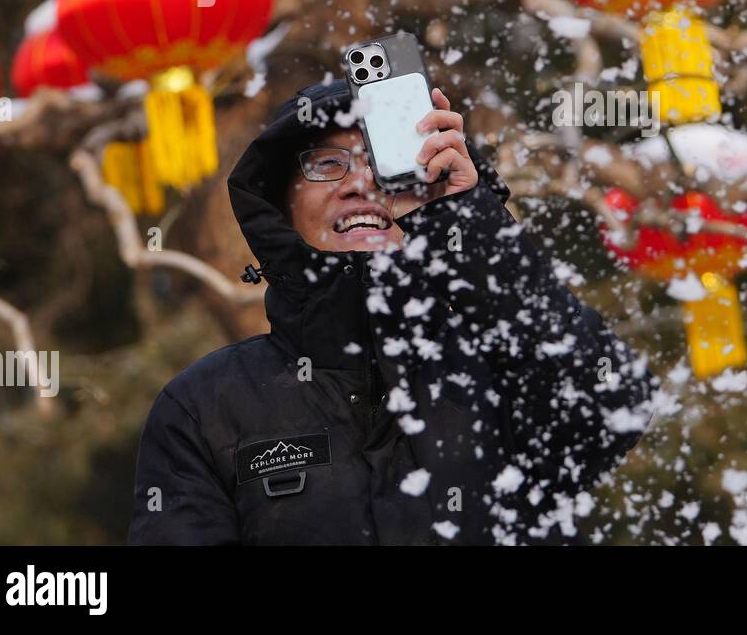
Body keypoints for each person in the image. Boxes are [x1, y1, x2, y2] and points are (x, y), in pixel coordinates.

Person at [127, 77, 658, 544]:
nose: (360, 184)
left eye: (383, 165)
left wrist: (467, 224)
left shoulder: (501, 363)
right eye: (327, 164)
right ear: (282, 211)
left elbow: (614, 409)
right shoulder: (204, 405)